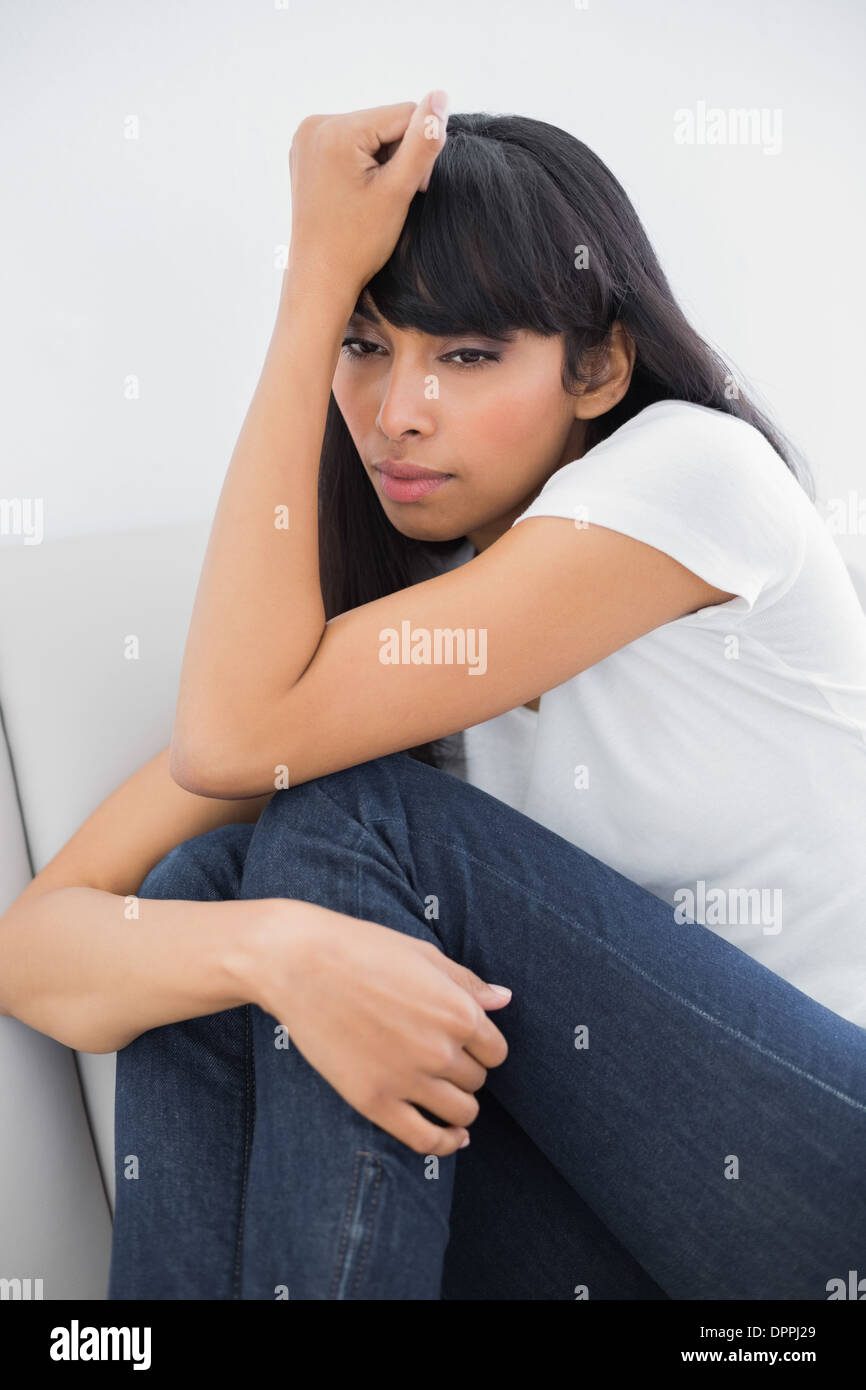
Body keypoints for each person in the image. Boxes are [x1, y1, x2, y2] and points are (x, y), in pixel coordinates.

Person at [3, 93, 865, 1300]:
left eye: (465, 356)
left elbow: (230, 732)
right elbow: (35, 942)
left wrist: (315, 277)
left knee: (347, 819)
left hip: (823, 1188)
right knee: (205, 899)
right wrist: (274, 950)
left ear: (599, 364)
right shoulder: (406, 626)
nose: (397, 412)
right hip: (628, 1236)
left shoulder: (688, 477)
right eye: (363, 345)